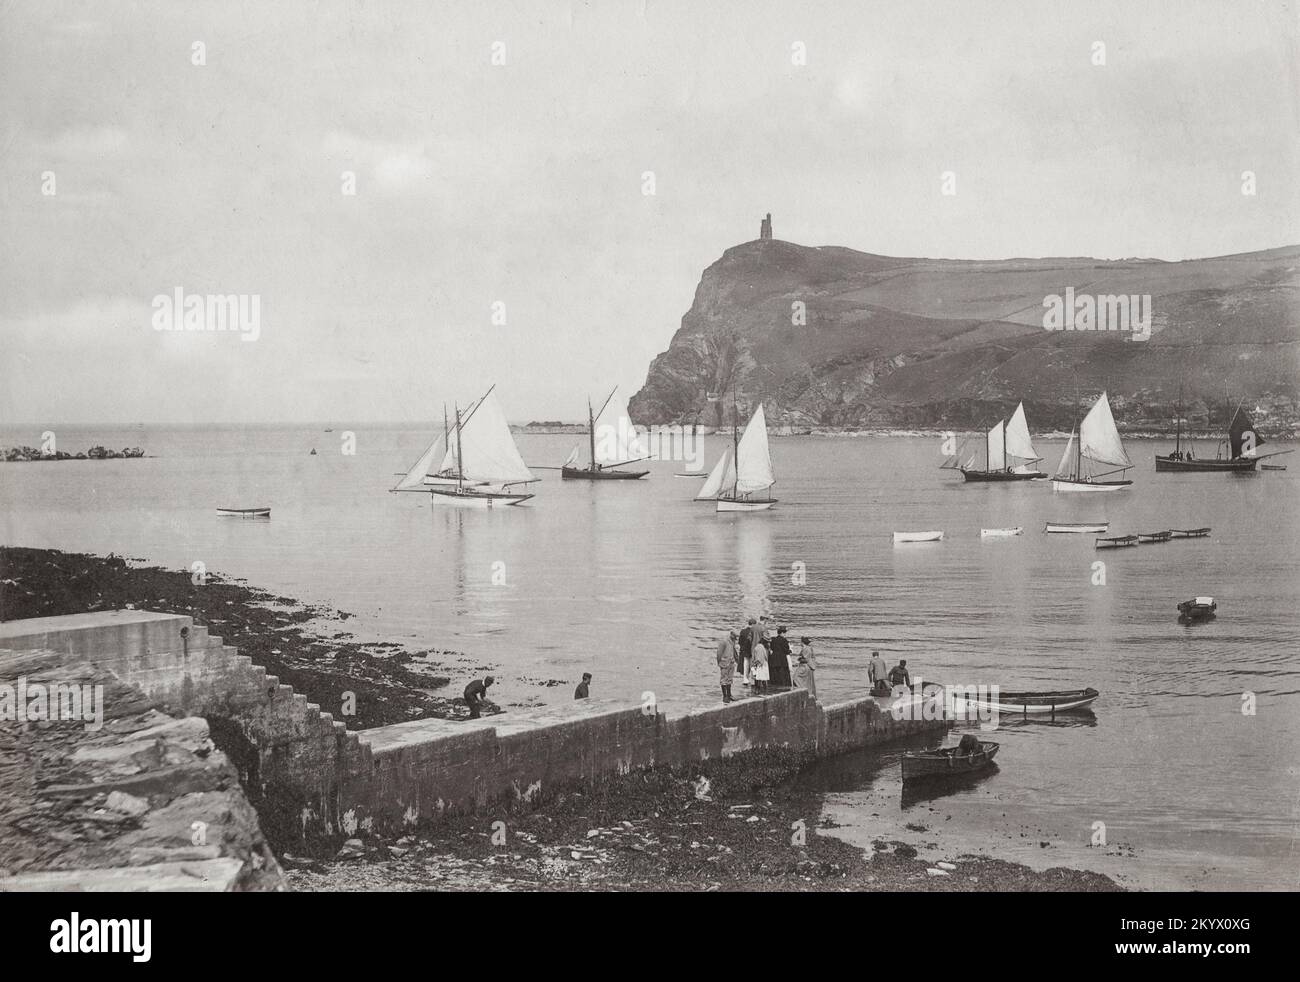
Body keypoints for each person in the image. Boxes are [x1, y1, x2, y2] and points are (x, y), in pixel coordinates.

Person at [716, 630, 738, 702]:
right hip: (724, 663)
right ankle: (724, 696)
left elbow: (734, 651)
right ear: (731, 635)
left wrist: (737, 660)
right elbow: (719, 653)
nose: (734, 639)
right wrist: (719, 662)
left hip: (731, 662)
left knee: (730, 679)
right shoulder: (724, 642)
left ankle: (729, 694)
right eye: (734, 637)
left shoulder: (733, 641)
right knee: (723, 680)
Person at [738, 618, 756, 685]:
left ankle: (745, 679)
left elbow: (740, 642)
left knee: (745, 664)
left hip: (745, 650)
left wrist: (742, 648)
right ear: (753, 624)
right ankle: (752, 679)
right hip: (752, 650)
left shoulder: (743, 631)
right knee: (752, 665)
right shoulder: (754, 631)